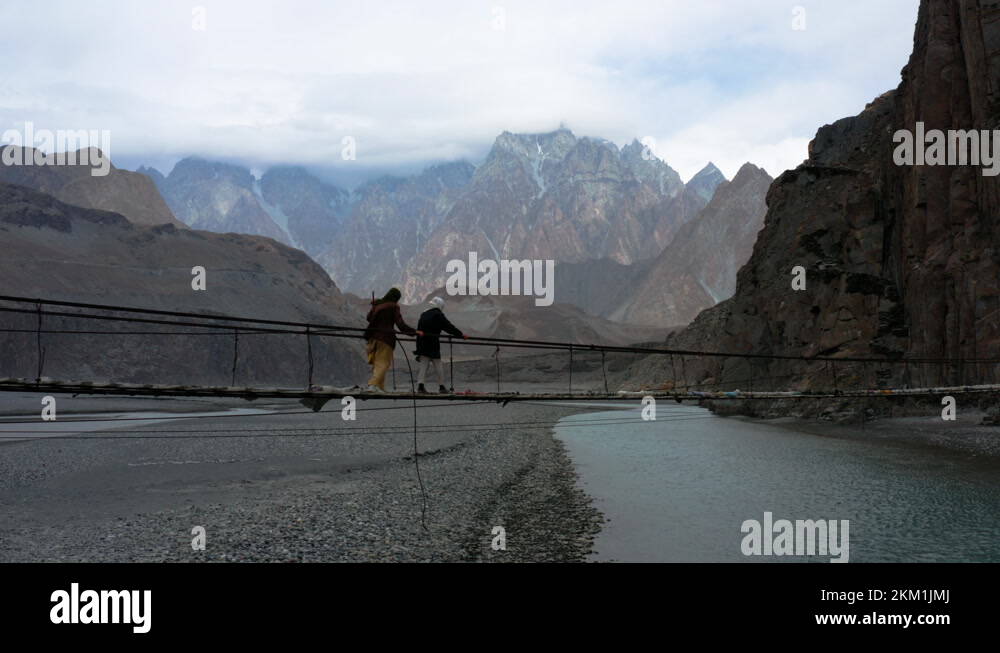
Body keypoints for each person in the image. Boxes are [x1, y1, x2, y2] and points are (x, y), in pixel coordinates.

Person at [364, 287, 421, 392]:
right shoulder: (393, 307)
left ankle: (380, 387)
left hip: (372, 338)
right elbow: (400, 325)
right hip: (386, 339)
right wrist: (414, 332)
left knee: (378, 363)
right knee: (383, 363)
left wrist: (374, 307)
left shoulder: (378, 305)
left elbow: (369, 318)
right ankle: (372, 385)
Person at [414, 296, 467, 394]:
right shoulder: (438, 315)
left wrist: (418, 349)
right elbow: (448, 327)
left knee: (423, 367)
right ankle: (441, 387)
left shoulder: (423, 314)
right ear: (440, 306)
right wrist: (460, 334)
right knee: (438, 366)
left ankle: (420, 387)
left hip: (422, 344)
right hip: (433, 344)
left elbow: (419, 332)